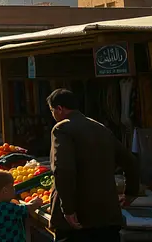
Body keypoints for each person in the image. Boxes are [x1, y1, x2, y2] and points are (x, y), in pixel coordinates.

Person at [47, 89, 139, 242]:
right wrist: (130, 192)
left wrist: (68, 209)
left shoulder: (62, 128)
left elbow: (63, 170)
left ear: (59, 109)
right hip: (107, 216)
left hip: (79, 218)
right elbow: (130, 161)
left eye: (52, 111)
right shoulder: (101, 128)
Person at [0, 169, 43, 242]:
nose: (14, 189)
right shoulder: (9, 208)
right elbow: (28, 208)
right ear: (5, 191)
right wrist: (36, 203)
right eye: (12, 187)